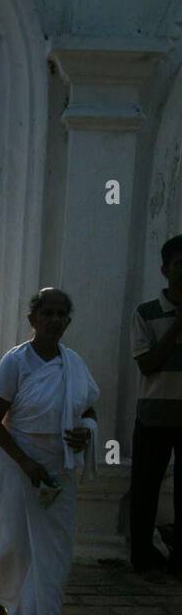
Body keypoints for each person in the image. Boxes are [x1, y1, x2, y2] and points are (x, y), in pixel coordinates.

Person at [0, 288, 99, 615]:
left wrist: (87, 432)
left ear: (68, 321)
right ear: (32, 320)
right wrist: (25, 461)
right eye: (47, 313)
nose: (54, 320)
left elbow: (89, 411)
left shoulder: (74, 364)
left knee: (54, 548)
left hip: (59, 466)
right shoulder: (16, 361)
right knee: (11, 540)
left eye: (61, 314)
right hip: (18, 462)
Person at [129, 234, 182, 578]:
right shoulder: (146, 312)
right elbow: (148, 364)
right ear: (165, 270)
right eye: (180, 265)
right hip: (155, 414)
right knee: (146, 486)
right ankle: (142, 555)